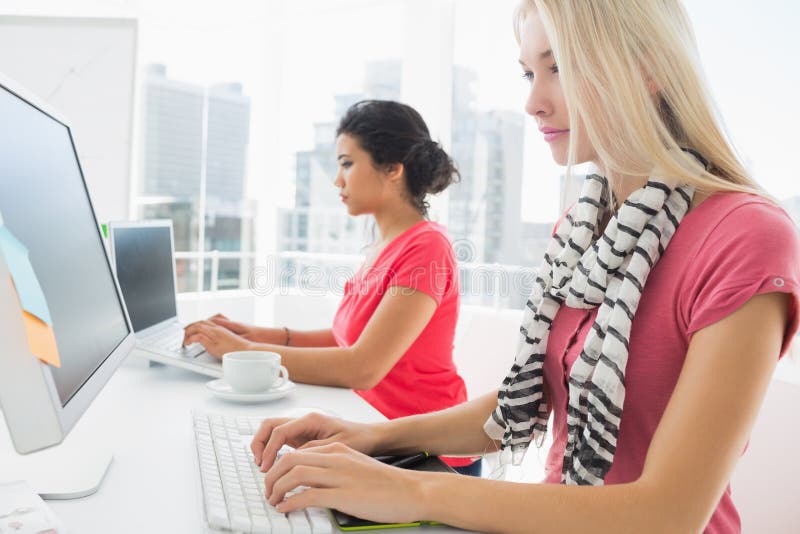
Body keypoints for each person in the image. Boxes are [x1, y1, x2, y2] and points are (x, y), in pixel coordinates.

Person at [246, 1, 800, 532]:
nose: (534, 101)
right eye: (527, 73)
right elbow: (527, 399)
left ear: (649, 69)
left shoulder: (746, 235)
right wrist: (372, 437)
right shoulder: (584, 227)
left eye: (557, 67)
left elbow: (667, 515)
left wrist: (406, 490)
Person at [183, 100, 479, 475]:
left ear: (392, 169)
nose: (337, 180)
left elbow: (363, 367)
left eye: (347, 163)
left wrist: (244, 352)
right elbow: (349, 340)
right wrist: (258, 335)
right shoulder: (383, 245)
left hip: (431, 458)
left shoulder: (428, 248)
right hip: (380, 440)